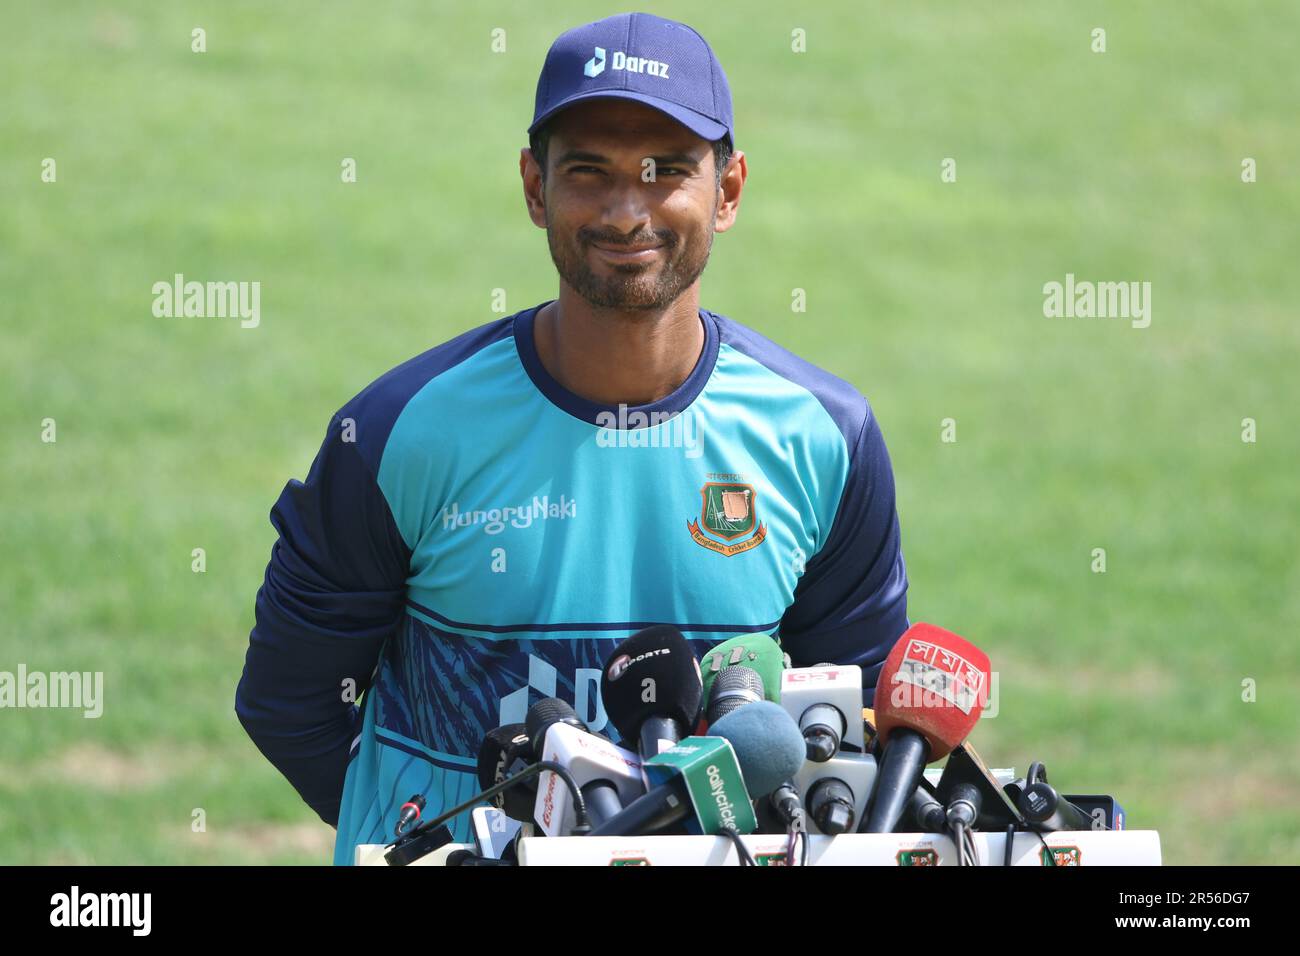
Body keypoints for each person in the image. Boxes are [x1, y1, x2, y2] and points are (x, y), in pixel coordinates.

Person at [235, 12, 909, 864]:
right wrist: (429, 835)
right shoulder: (400, 432)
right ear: (533, 186)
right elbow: (290, 701)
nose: (627, 212)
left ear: (729, 191)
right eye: (588, 170)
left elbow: (854, 735)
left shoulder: (823, 437)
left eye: (664, 171)